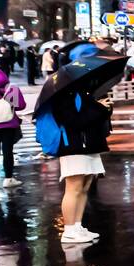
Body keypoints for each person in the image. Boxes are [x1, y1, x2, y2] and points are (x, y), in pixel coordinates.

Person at [50, 83, 112, 246]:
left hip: (88, 146)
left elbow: (94, 119)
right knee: (73, 188)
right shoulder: (63, 96)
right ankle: (69, 230)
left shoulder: (82, 93)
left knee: (84, 187)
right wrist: (99, 108)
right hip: (73, 147)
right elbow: (74, 122)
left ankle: (77, 226)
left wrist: (104, 109)